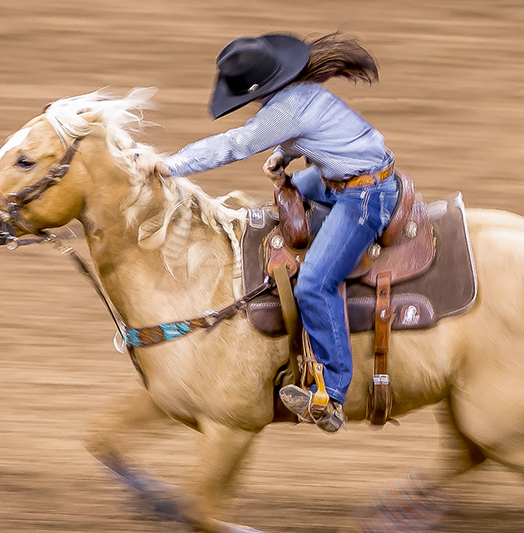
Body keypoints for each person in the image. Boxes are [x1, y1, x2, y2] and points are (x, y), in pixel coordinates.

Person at [151, 32, 398, 433]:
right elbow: (320, 128)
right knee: (281, 207)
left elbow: (236, 144)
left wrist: (169, 164)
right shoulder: (299, 94)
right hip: (338, 176)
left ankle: (332, 392)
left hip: (365, 196)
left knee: (315, 283)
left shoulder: (285, 111)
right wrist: (284, 154)